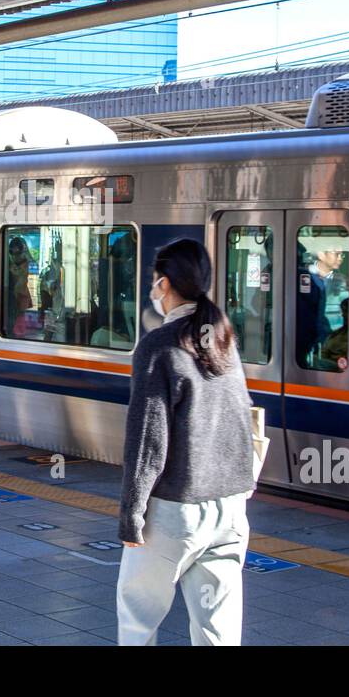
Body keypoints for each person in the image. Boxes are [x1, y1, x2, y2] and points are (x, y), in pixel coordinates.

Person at [117, 237, 255, 646]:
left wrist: (132, 513)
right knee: (218, 630)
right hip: (230, 509)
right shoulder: (223, 336)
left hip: (176, 511)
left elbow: (147, 439)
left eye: (154, 283)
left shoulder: (159, 345)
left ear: (164, 284)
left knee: (138, 619)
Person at [294, 235, 347, 369]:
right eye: (336, 254)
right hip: (309, 335)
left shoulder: (342, 280)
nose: (340, 258)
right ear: (321, 254)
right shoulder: (305, 275)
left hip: (332, 337)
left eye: (342, 255)